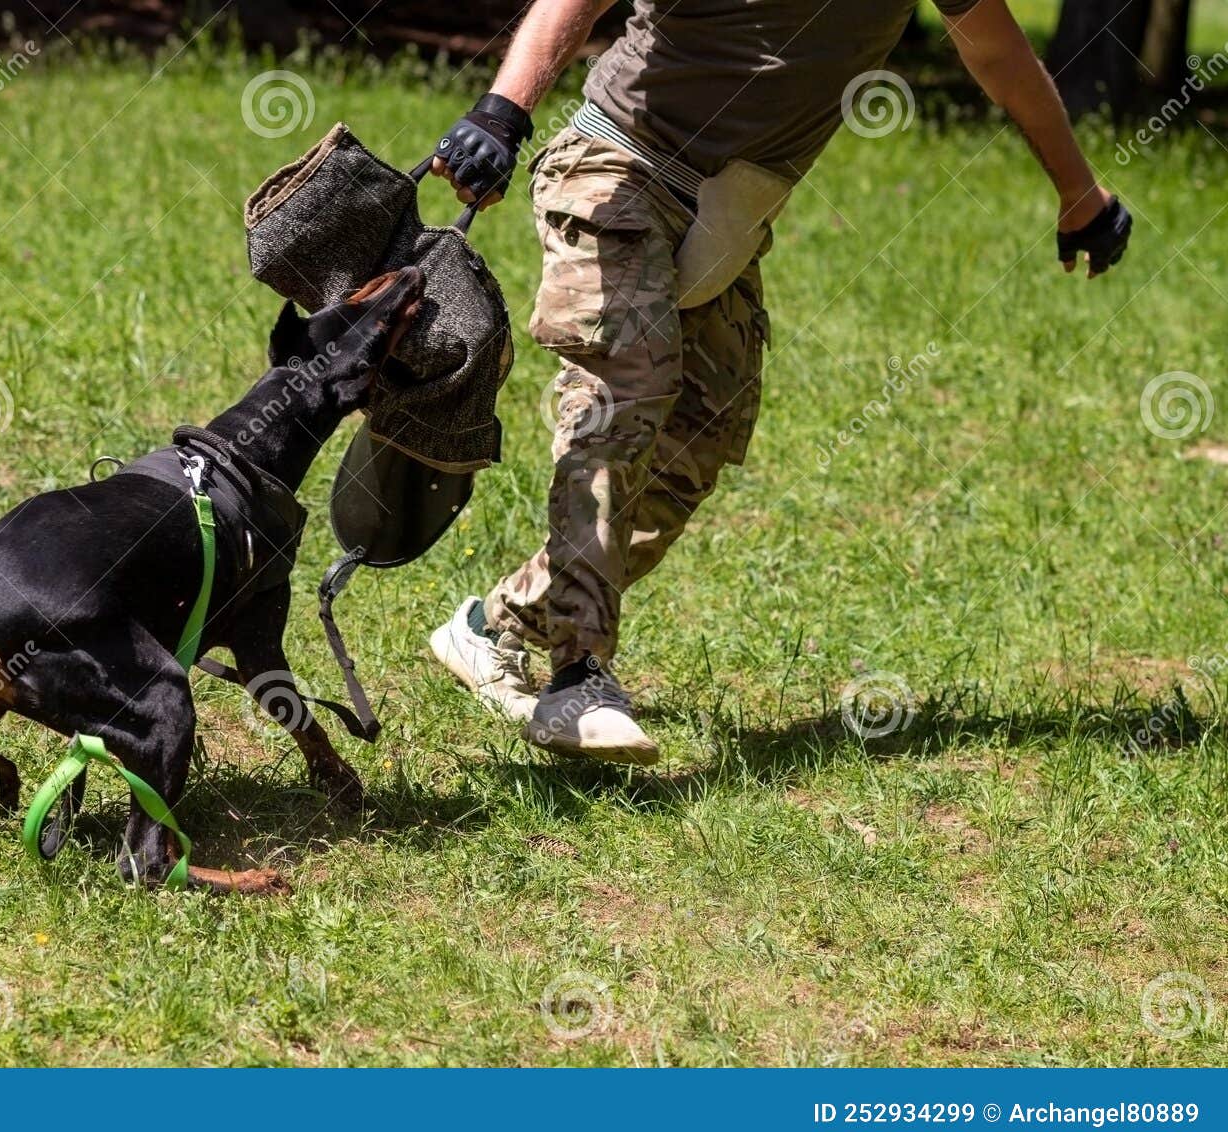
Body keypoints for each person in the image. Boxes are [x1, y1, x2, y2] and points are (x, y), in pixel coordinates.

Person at [427, 0, 1132, 764]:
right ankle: (578, 676)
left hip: (729, 216)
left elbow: (995, 52)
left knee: (698, 440)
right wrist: (503, 109)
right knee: (619, 400)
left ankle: (498, 626)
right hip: (616, 165)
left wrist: (1078, 191)